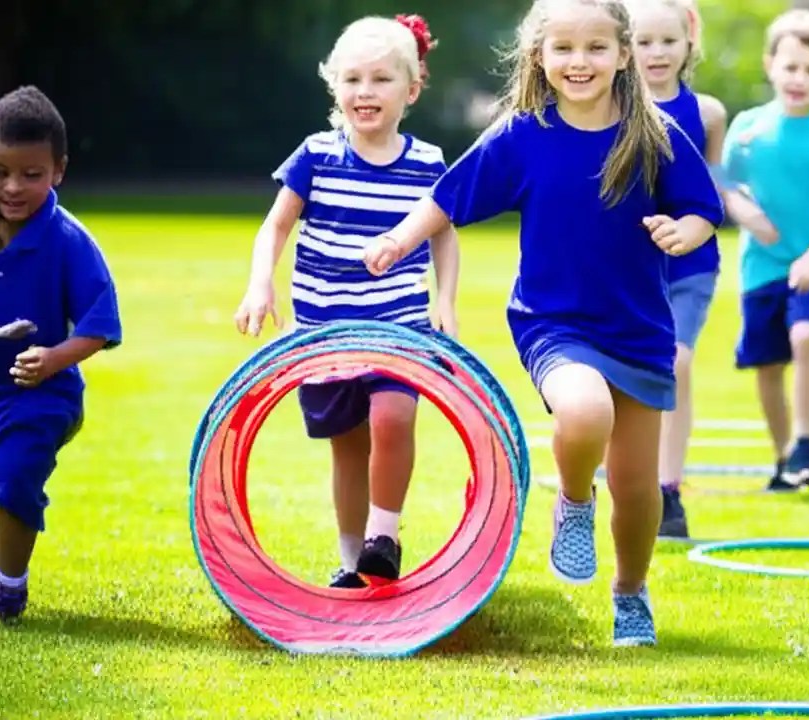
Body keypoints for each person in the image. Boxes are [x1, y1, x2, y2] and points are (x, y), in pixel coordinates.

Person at [361, 0, 723, 646]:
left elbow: (703, 208)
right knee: (584, 413)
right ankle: (575, 502)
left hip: (639, 329)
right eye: (563, 49)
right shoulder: (522, 135)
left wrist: (683, 231)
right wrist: (397, 240)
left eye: (594, 48)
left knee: (639, 493)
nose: (578, 62)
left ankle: (631, 593)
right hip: (553, 322)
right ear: (539, 56)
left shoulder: (656, 135)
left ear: (622, 54)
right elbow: (448, 195)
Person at [232, 14, 459, 589]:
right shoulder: (316, 155)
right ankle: (354, 560)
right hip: (324, 331)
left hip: (397, 323)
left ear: (411, 89)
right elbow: (275, 227)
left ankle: (386, 536)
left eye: (382, 80)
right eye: (353, 79)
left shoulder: (427, 163)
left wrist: (445, 301)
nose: (365, 92)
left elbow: (444, 233)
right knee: (347, 448)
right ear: (335, 86)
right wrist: (262, 282)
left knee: (392, 414)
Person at [719, 9, 809, 491]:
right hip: (760, 270)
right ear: (770, 66)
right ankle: (785, 458)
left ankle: (806, 441)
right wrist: (747, 215)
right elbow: (723, 184)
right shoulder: (747, 128)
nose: (799, 78)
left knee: (806, 335)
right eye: (790, 67)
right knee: (767, 366)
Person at [0, 86, 123, 622]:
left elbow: (100, 326)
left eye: (31, 174)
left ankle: (8, 585)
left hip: (40, 396)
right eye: (0, 171)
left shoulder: (69, 240)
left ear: (59, 171)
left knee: (14, 476)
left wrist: (52, 358)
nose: (12, 187)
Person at [628, 0, 727, 539]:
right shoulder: (610, 109)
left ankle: (669, 489)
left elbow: (711, 191)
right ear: (626, 47)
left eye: (668, 40)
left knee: (677, 362)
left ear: (689, 42)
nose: (656, 52)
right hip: (628, 268)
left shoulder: (708, 114)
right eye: (644, 41)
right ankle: (623, 476)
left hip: (690, 266)